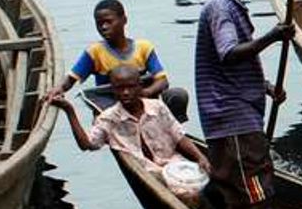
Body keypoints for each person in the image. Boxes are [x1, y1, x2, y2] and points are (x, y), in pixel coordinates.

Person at [195, 0, 292, 209]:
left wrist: (265, 85)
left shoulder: (231, 5)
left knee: (241, 188)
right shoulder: (220, 8)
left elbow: (236, 62)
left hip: (234, 108)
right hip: (231, 113)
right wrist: (272, 37)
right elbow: (228, 54)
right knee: (254, 189)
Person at [44, 0, 188, 121]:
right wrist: (58, 90)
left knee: (177, 95)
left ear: (124, 20)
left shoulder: (144, 48)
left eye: (109, 22)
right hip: (112, 109)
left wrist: (144, 93)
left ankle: (172, 132)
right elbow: (70, 80)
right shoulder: (95, 52)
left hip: (143, 106)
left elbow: (162, 81)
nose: (104, 27)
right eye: (99, 24)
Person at [51, 64, 210, 172]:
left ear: (139, 87)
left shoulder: (157, 107)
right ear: (113, 91)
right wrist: (69, 111)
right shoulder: (108, 119)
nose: (126, 93)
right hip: (147, 171)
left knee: (206, 175)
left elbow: (179, 137)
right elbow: (87, 144)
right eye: (120, 88)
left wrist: (200, 157)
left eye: (131, 87)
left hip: (173, 164)